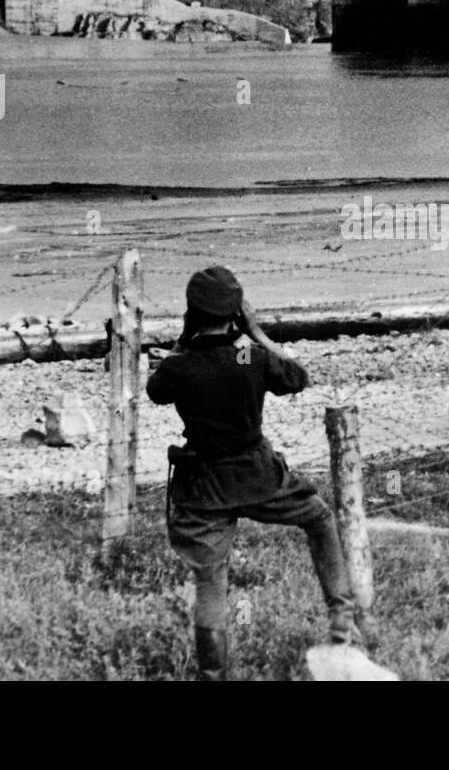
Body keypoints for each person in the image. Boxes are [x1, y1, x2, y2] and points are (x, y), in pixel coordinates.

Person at [146, 265, 357, 680]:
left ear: (191, 312)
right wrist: (256, 331)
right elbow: (297, 376)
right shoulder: (249, 356)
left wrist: (183, 339)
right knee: (319, 519)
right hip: (259, 476)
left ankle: (213, 674)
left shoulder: (180, 366)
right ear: (237, 313)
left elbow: (156, 389)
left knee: (210, 579)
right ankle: (341, 623)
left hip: (203, 485)